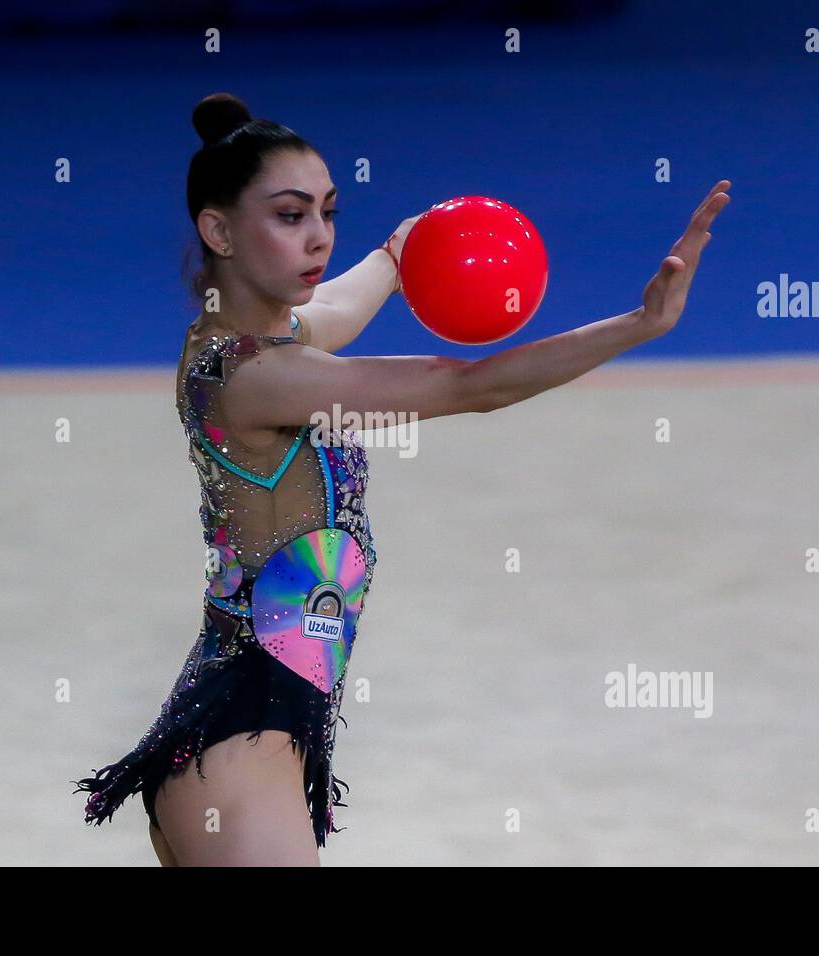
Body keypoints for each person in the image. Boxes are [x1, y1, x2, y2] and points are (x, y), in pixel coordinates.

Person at [73, 91, 731, 867]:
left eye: (327, 211)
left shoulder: (243, 342)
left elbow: (334, 309)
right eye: (290, 216)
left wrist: (398, 252)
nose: (318, 236)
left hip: (243, 730)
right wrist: (639, 326)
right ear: (218, 230)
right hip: (241, 751)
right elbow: (469, 386)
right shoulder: (260, 377)